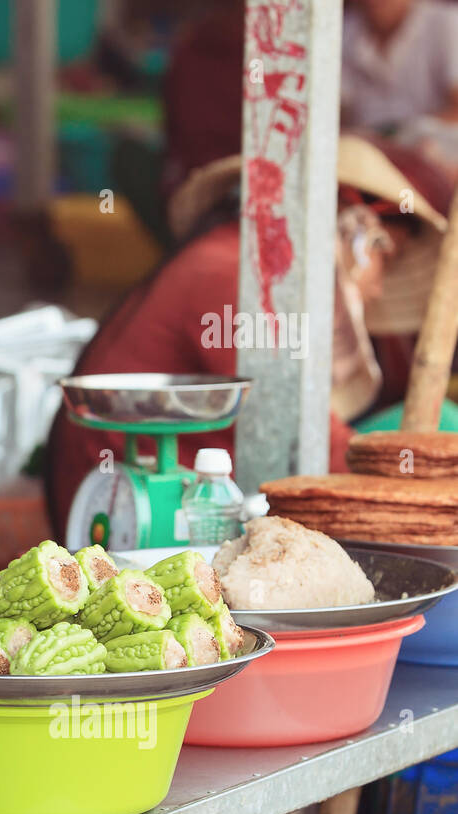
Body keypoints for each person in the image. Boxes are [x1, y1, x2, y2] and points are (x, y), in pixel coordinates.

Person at [46, 136, 448, 537]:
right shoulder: (234, 277)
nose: (378, 288)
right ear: (356, 228)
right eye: (386, 257)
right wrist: (421, 495)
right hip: (131, 513)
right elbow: (301, 431)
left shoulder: (237, 261)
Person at [342, 0, 458, 131]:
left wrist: (398, 133)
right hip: (364, 146)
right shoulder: (343, 30)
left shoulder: (447, 23)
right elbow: (338, 113)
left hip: (434, 147)